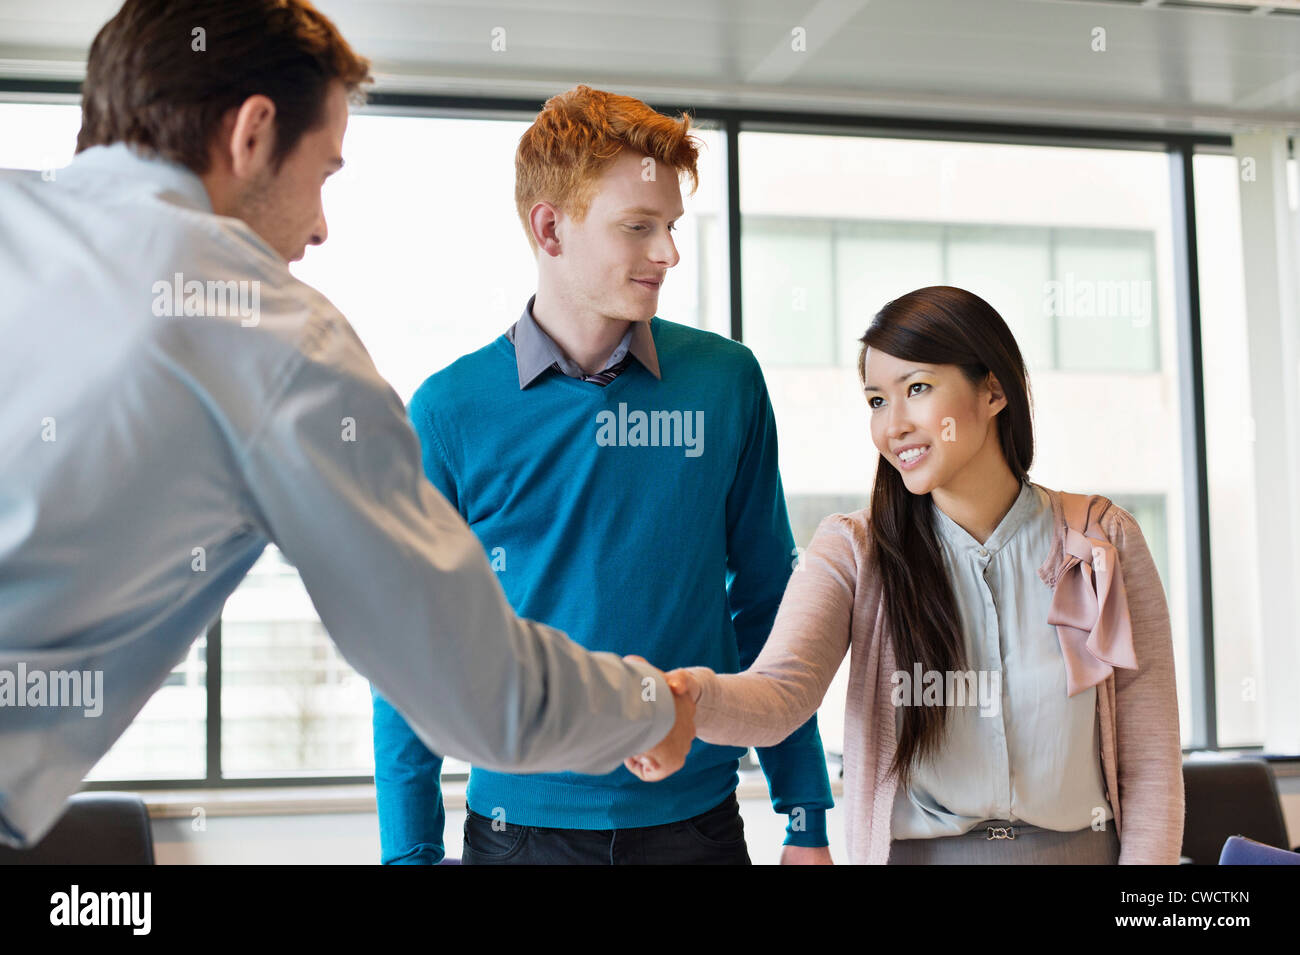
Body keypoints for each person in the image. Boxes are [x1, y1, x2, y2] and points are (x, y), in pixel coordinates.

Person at [0, 0, 694, 850]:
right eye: (325, 173)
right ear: (253, 134)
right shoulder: (273, 336)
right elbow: (476, 689)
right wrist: (653, 706)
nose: (321, 227)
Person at [370, 85, 835, 866]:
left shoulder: (725, 384)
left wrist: (806, 815)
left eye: (672, 228)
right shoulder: (449, 411)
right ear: (549, 227)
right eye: (638, 227)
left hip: (699, 827)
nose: (668, 253)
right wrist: (408, 852)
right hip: (519, 831)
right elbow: (414, 652)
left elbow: (765, 602)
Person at [634, 286, 1185, 865]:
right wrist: (689, 698)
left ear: (993, 390)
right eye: (876, 400)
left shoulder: (1102, 539)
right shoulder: (853, 549)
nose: (892, 425)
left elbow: (1150, 763)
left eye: (917, 389)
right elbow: (779, 694)